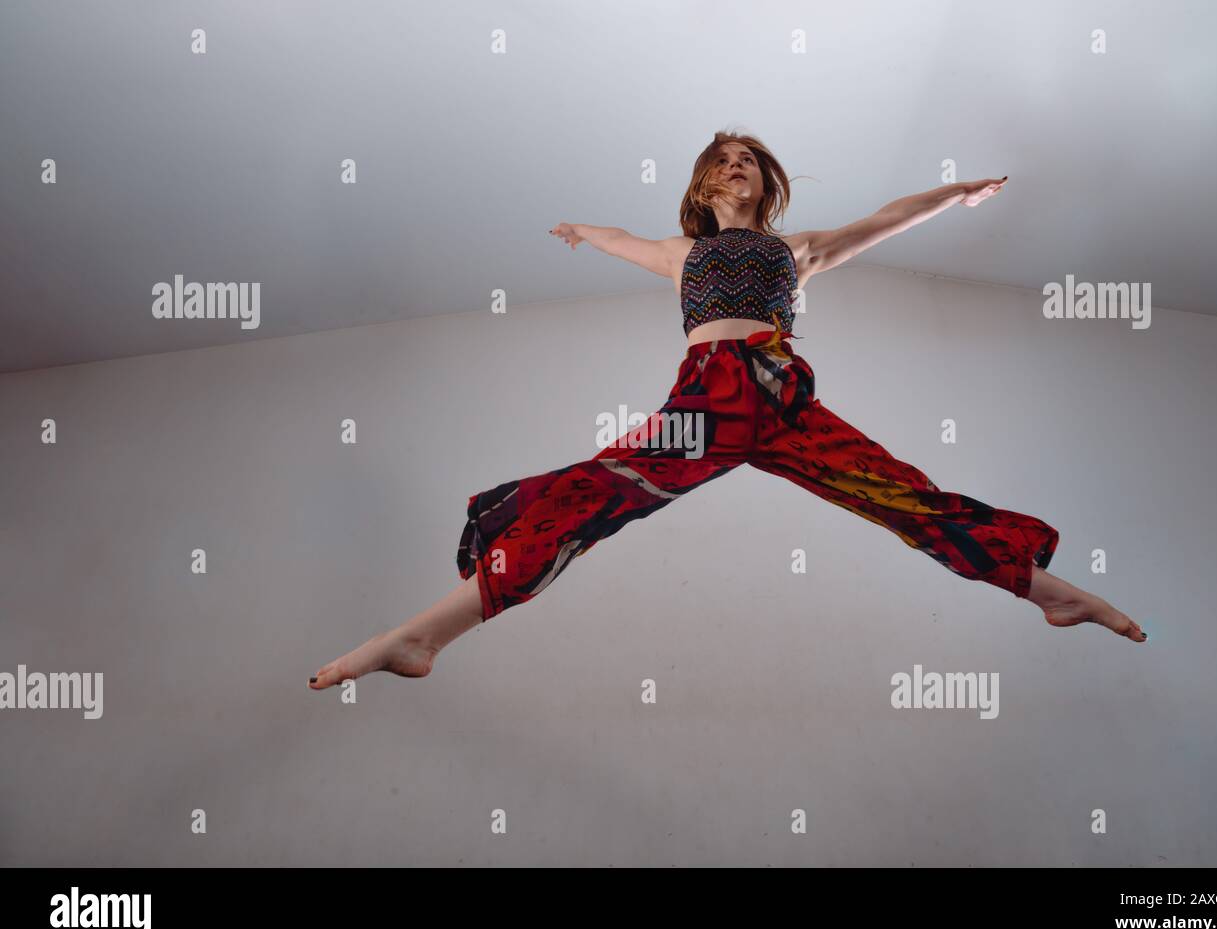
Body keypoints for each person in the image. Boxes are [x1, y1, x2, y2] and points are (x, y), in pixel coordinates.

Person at [310, 130, 1145, 691]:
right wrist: (583, 231)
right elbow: (622, 239)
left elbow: (885, 220)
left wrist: (952, 193)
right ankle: (423, 635)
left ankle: (1047, 590)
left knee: (903, 493)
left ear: (766, 182)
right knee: (583, 498)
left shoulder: (795, 249)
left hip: (780, 394)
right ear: (705, 182)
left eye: (751, 157)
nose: (739, 164)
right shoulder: (683, 253)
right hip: (705, 400)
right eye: (726, 158)